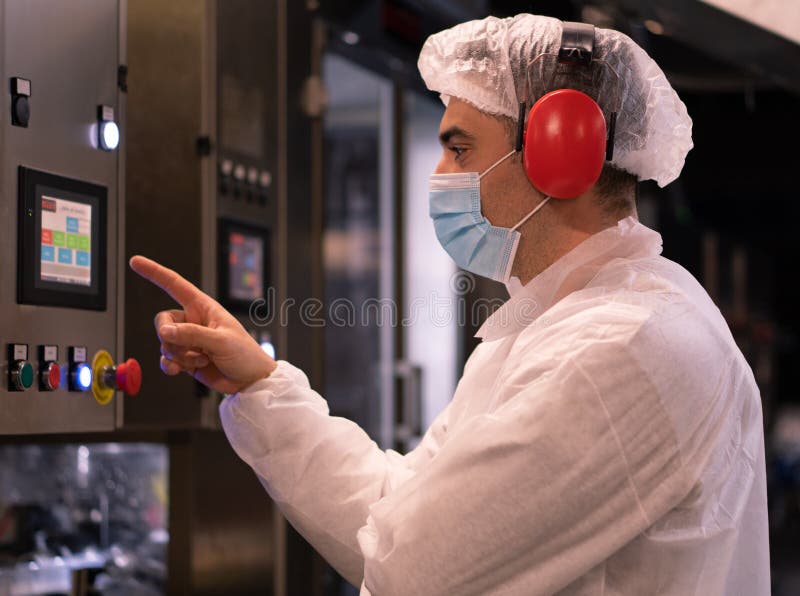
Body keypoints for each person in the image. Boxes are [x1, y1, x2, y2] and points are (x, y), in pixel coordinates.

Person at [130, 13, 769, 596]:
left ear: (560, 151)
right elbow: (398, 513)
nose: (441, 174)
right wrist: (262, 386)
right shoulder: (552, 324)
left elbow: (412, 570)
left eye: (459, 148)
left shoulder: (621, 349)